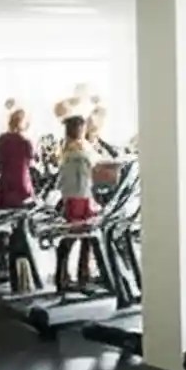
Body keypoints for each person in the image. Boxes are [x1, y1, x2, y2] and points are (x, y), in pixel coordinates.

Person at [55, 115, 119, 290]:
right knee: (74, 235)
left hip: (84, 195)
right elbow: (94, 162)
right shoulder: (74, 149)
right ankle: (64, 276)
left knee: (87, 236)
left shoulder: (80, 147)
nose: (81, 131)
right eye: (79, 128)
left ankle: (83, 274)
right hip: (76, 196)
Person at [0, 108, 35, 209]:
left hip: (5, 188)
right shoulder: (26, 143)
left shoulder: (2, 139)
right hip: (23, 189)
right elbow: (30, 164)